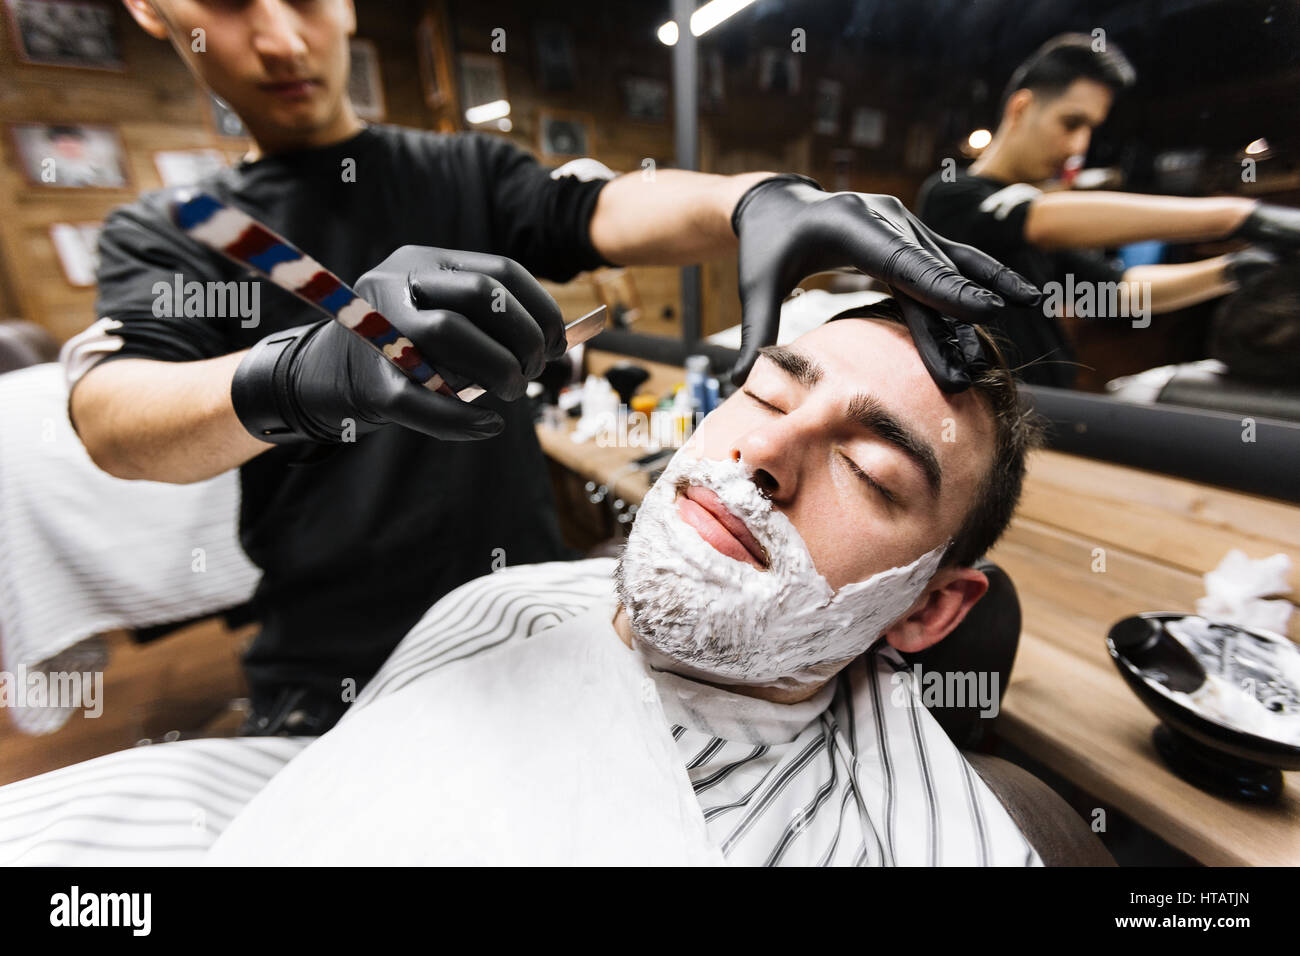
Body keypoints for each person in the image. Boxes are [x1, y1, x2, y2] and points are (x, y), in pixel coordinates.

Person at [61, 0, 1039, 735]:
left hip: (531, 623)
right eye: (229, 5)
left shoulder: (463, 175)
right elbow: (113, 420)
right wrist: (296, 376)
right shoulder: (181, 233)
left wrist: (755, 198)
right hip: (332, 662)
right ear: (155, 13)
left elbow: (607, 213)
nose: (278, 36)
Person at [1, 299, 1047, 866]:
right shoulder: (502, 604)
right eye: (768, 387)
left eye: (871, 470)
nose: (766, 451)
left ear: (926, 607)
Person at [916, 32, 1300, 387]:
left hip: (1048, 411)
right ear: (1022, 108)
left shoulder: (1033, 216)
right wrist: (1239, 217)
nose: (1078, 147)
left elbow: (1122, 292)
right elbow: (1042, 219)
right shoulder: (951, 194)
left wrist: (1233, 270)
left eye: (1090, 130)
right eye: (1071, 123)